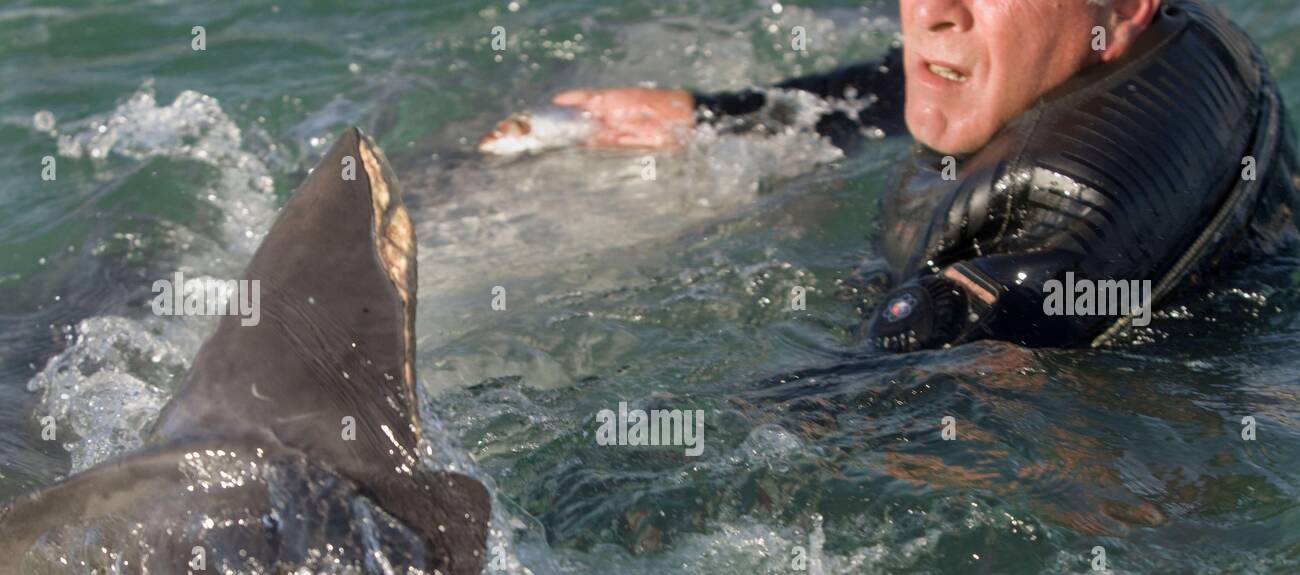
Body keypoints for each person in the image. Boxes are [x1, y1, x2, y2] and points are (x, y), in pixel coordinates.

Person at [538, 0, 1300, 350]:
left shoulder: (1052, 235)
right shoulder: (1152, 51)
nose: (931, 11)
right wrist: (730, 114)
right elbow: (953, 66)